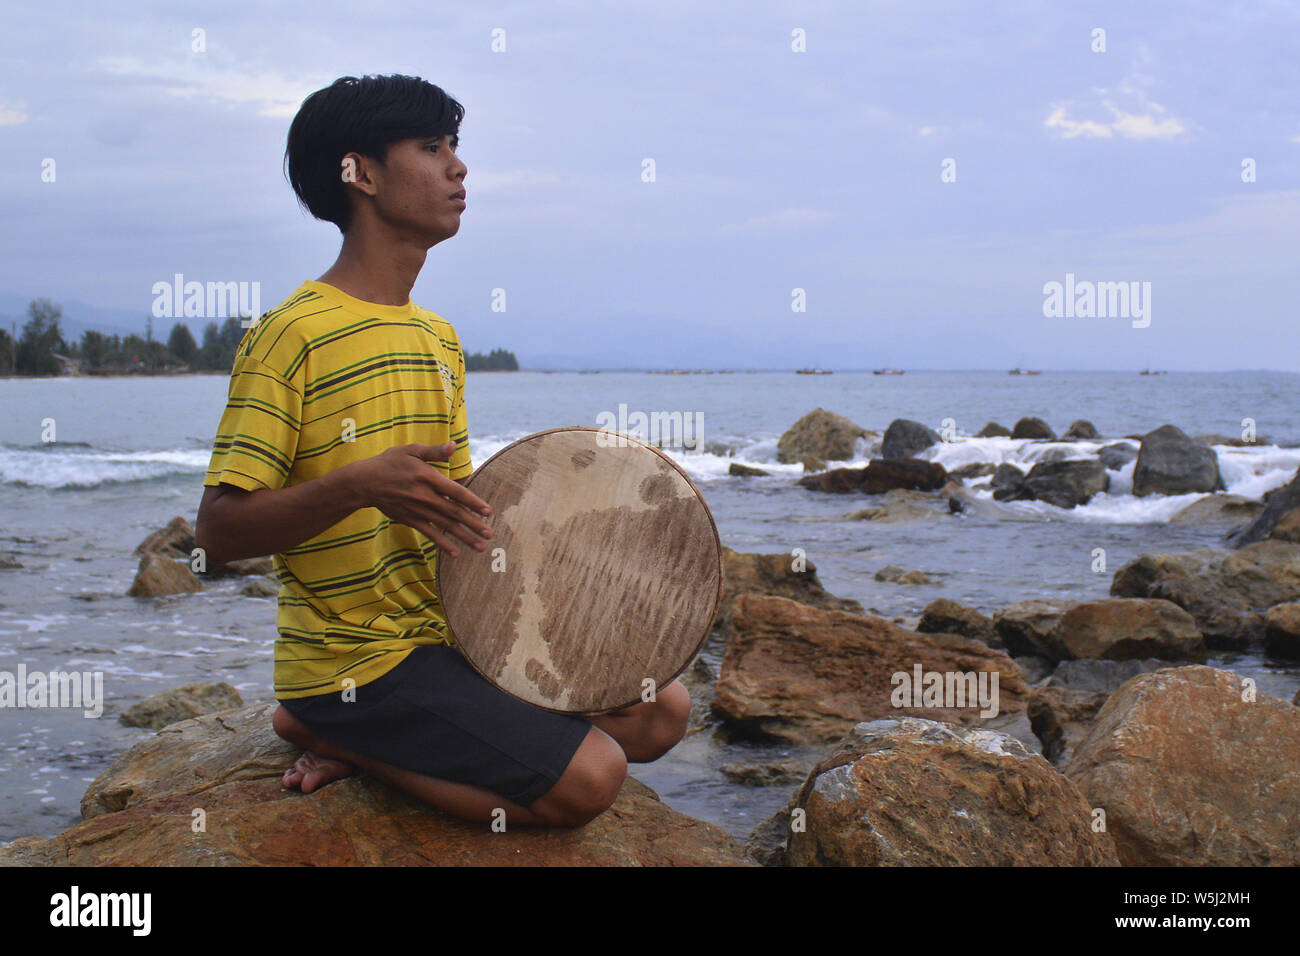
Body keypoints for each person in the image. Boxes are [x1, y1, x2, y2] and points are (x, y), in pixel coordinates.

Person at [194, 74, 689, 828]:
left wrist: (575, 556)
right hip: (353, 664)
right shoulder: (291, 335)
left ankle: (400, 732)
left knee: (664, 709)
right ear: (357, 172)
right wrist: (359, 486)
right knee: (592, 779)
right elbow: (218, 534)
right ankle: (335, 731)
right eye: (430, 147)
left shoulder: (437, 339)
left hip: (444, 634)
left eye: (456, 146)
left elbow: (459, 520)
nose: (458, 168)